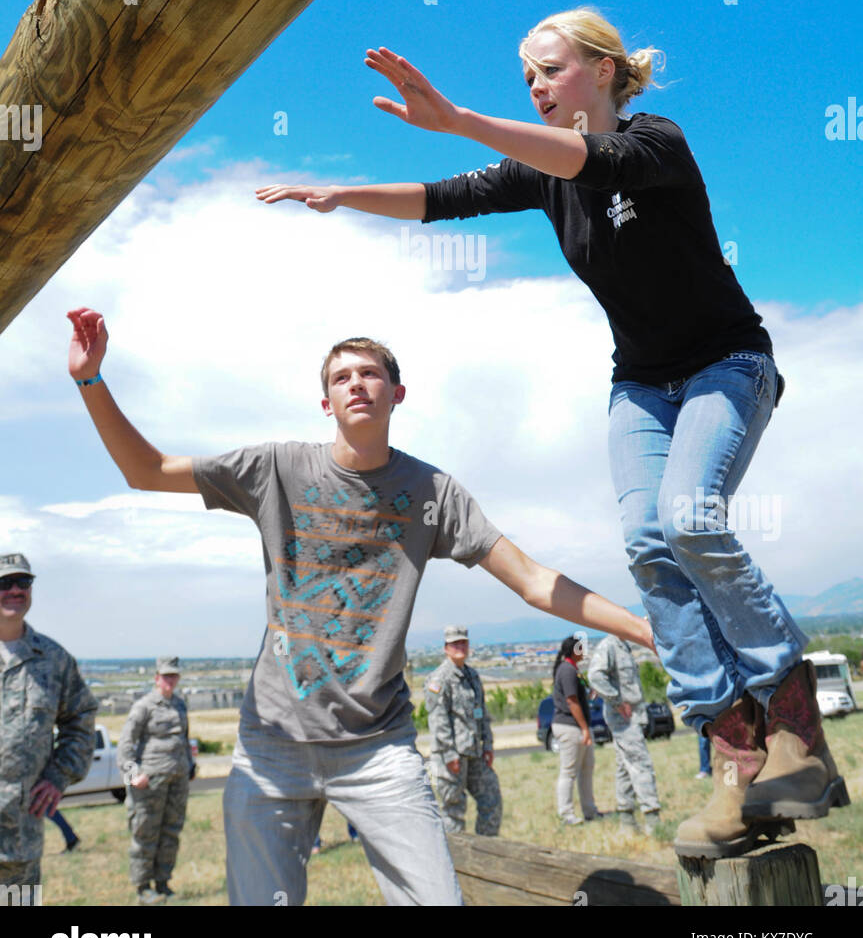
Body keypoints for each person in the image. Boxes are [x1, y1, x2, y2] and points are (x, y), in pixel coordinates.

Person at [254, 7, 848, 857]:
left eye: (550, 69)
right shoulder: (541, 176)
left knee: (687, 516)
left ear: (602, 70)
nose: (535, 86)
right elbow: (442, 199)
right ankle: (734, 761)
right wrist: (341, 194)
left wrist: (454, 117)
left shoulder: (656, 143)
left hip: (726, 364)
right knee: (647, 542)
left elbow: (581, 155)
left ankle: (797, 737)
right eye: (525, 77)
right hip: (640, 385)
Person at [68, 308, 654, 907]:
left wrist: (640, 627)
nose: (355, 383)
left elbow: (532, 580)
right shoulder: (277, 469)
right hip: (273, 744)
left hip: (377, 746)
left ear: (396, 394)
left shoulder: (433, 494)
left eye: (369, 373)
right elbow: (146, 471)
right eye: (341, 377)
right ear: (326, 402)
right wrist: (91, 380)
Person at [0, 553, 96, 903]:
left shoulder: (53, 660)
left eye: (23, 582)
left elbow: (81, 719)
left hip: (19, 841)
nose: (14, 590)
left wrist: (59, 776)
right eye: (4, 583)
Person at [117, 655, 195, 905]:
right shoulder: (145, 706)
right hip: (150, 781)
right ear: (156, 678)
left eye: (174, 675)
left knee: (171, 831)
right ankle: (143, 887)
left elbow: (184, 738)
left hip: (177, 778)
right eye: (166, 676)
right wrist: (132, 775)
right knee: (145, 833)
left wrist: (190, 766)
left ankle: (163, 881)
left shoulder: (180, 705)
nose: (170, 680)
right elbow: (126, 743)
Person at [424, 626, 501, 835]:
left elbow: (482, 714)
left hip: (475, 752)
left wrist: (489, 745)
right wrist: (449, 753)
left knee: (491, 799)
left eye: (463, 643)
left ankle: (486, 851)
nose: (460, 647)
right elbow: (438, 719)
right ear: (446, 648)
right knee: (453, 811)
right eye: (455, 643)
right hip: (452, 756)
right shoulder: (439, 679)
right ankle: (456, 862)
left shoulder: (472, 676)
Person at [588, 633, 660, 833]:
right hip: (623, 718)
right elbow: (595, 676)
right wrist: (617, 701)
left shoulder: (623, 646)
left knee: (625, 767)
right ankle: (652, 819)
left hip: (632, 715)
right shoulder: (609, 645)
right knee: (640, 762)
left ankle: (627, 819)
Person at [550, 633, 601, 826]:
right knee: (569, 771)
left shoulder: (573, 670)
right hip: (570, 726)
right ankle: (566, 813)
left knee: (587, 768)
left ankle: (590, 810)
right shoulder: (567, 671)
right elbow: (571, 701)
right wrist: (584, 728)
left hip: (578, 727)